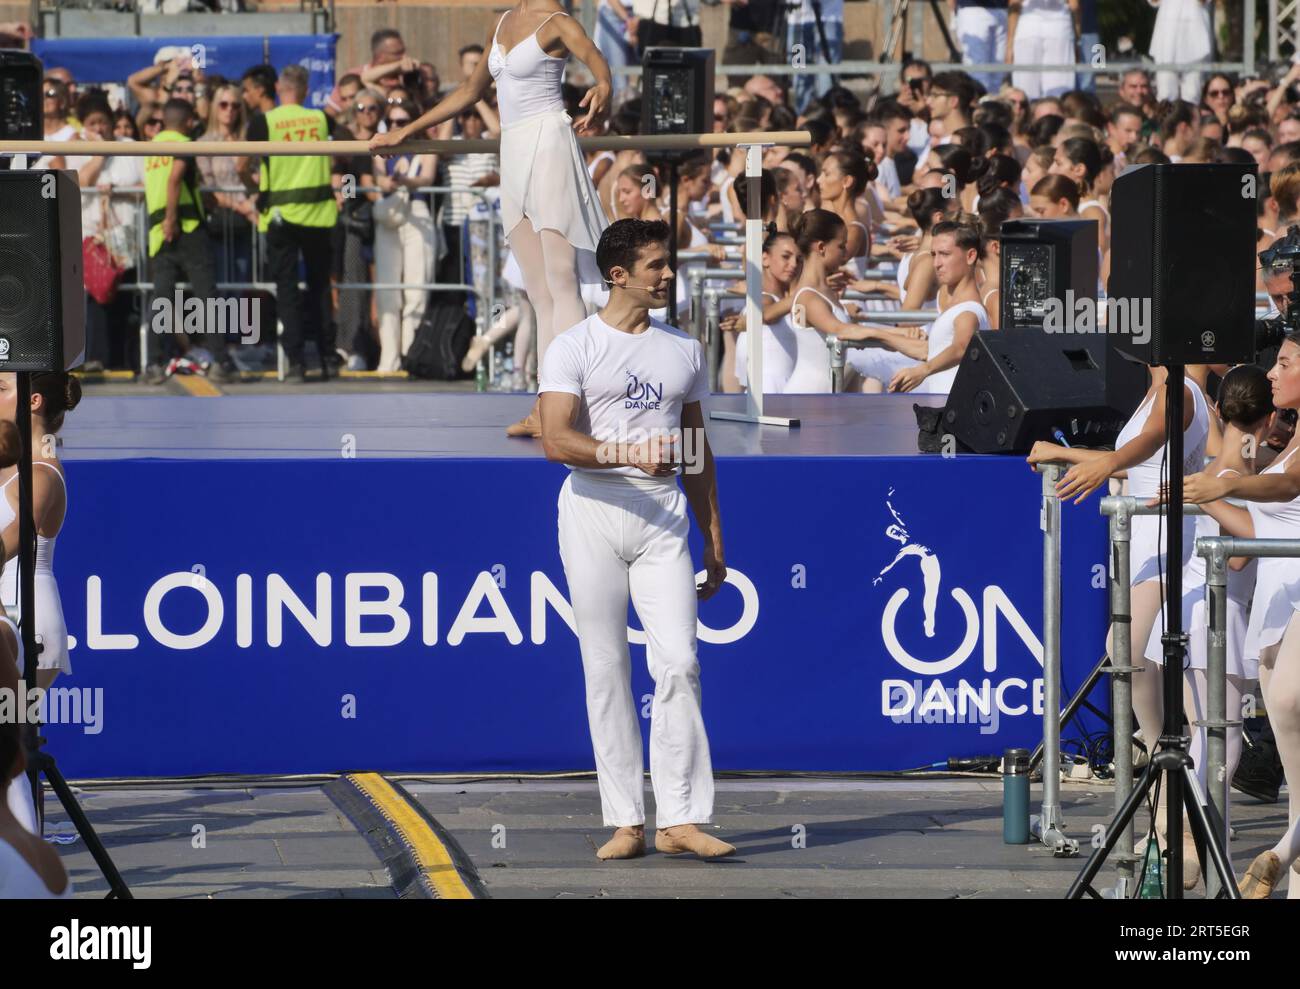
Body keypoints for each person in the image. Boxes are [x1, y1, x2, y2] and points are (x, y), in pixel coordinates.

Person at [537, 217, 733, 861]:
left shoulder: (683, 349)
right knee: (606, 668)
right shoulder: (572, 346)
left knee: (679, 661)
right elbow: (554, 440)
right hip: (591, 511)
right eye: (656, 265)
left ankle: (678, 818)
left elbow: (699, 451)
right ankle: (626, 819)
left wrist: (714, 536)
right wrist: (629, 454)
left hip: (664, 519)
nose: (669, 275)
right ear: (617, 274)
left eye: (668, 264)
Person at [376, 1, 611, 436]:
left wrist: (604, 86)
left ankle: (575, 405)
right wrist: (407, 132)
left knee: (562, 283)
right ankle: (548, 404)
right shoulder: (501, 22)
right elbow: (470, 90)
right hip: (515, 152)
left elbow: (599, 64)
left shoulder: (558, 21)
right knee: (537, 292)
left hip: (550, 144)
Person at [1027, 361, 1209, 883]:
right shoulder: (1159, 388)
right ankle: (1168, 792)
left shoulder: (1180, 389)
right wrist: (1067, 454)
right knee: (1134, 655)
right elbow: (1139, 463)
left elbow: (1150, 442)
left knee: (1128, 650)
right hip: (1152, 546)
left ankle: (1174, 796)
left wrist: (1105, 467)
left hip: (1171, 543)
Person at [1140, 366, 1274, 851]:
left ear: (1218, 410)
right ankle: (1186, 833)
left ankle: (1179, 833)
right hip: (1216, 614)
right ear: (1269, 417)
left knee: (1203, 735)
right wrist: (1224, 502)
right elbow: (1238, 555)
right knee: (1224, 739)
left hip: (1196, 607)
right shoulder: (1234, 477)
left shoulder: (1218, 470)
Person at [241, 65, 340, 382]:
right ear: (306, 91)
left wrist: (256, 189)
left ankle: (296, 362)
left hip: (281, 217)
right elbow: (345, 151)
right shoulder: (322, 119)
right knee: (320, 287)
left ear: (280, 89)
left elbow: (241, 164)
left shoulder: (264, 122)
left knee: (286, 290)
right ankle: (326, 357)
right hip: (318, 214)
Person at [0, 371, 79, 697]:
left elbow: (17, 536)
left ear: (33, 401)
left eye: (0, 388)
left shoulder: (43, 473)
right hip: (8, 610)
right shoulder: (13, 465)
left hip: (27, 618)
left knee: (13, 735)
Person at [145, 98, 220, 380]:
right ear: (188, 122)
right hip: (184, 228)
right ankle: (220, 361)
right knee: (207, 298)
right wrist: (172, 218)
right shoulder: (184, 143)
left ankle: (153, 364)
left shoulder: (151, 147)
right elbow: (174, 179)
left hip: (158, 233)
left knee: (161, 300)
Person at [372, 99, 438, 373]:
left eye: (402, 121)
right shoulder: (379, 146)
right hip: (390, 213)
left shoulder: (425, 147)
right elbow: (376, 179)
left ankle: (412, 357)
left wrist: (406, 180)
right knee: (388, 292)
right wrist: (386, 182)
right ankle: (388, 360)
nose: (396, 126)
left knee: (416, 290)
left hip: (417, 212)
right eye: (392, 122)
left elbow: (428, 178)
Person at [725, 225, 800, 394]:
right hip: (769, 394)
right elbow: (767, 314)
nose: (793, 264)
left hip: (779, 392)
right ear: (764, 259)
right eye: (786, 257)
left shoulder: (777, 298)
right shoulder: (764, 298)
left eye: (798, 259)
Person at [1007, 0, 1078, 100]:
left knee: (1025, 89)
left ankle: (1027, 113)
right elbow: (1075, 6)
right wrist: (1077, 38)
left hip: (1028, 27)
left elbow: (1014, 3)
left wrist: (1009, 44)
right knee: (1059, 91)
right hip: (1059, 27)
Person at [1149, 0, 1213, 103]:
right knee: (1166, 94)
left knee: (1192, 94)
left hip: (1194, 39)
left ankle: (1192, 117)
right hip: (1166, 41)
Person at [953, 0, 1010, 95]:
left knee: (999, 73)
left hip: (1002, 9)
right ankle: (980, 105)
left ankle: (993, 106)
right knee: (978, 72)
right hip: (973, 9)